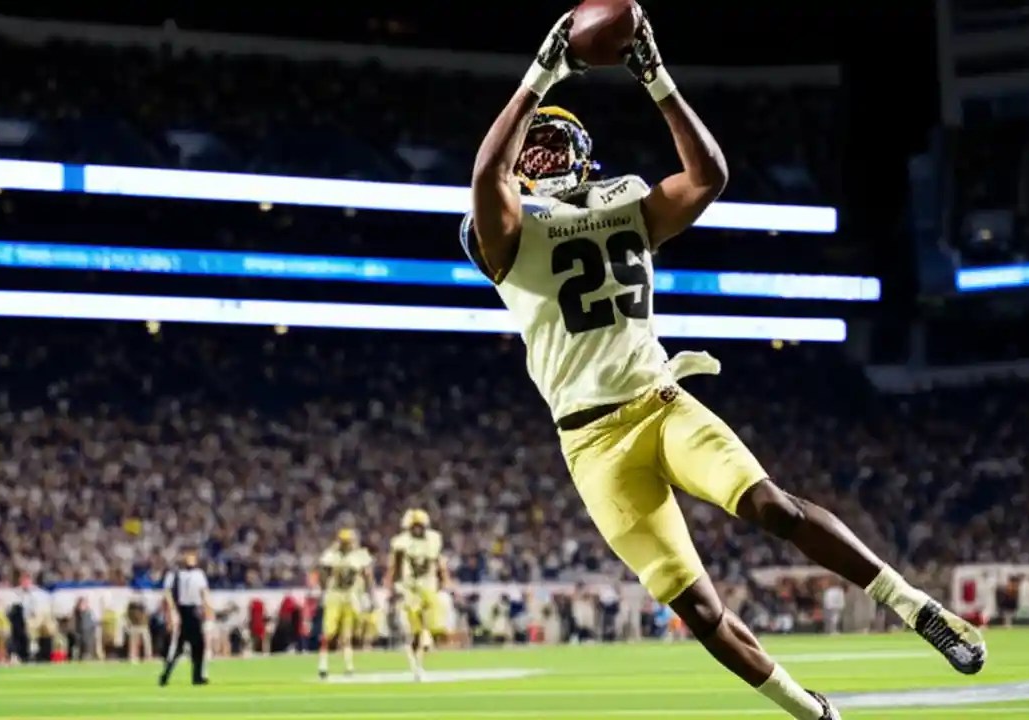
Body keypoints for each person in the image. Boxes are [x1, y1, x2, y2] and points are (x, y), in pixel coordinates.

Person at [462, 8, 986, 719]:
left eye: (559, 143)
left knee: (770, 504)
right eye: (536, 148)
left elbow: (708, 174)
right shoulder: (502, 234)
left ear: (587, 157)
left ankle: (914, 605)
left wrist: (655, 76)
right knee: (698, 607)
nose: (544, 155)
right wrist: (539, 74)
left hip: (659, 402)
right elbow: (487, 169)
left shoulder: (628, 206)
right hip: (591, 445)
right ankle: (813, 712)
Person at [385, 509, 450, 681]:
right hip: (411, 589)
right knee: (416, 631)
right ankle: (417, 665)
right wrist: (392, 587)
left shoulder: (434, 539)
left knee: (435, 627)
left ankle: (422, 654)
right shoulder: (401, 542)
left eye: (420, 525)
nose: (417, 529)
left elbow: (439, 562)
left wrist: (444, 580)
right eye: (414, 526)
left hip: (429, 587)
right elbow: (396, 566)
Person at [316, 528, 373, 679]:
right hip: (335, 594)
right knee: (329, 632)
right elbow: (322, 571)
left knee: (347, 634)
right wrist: (323, 589)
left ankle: (349, 665)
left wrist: (368, 594)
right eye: (345, 543)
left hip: (351, 595)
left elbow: (367, 575)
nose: (348, 546)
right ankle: (323, 664)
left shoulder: (360, 555)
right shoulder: (332, 555)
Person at [159, 548, 211, 687]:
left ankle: (196, 675)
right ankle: (167, 673)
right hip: (184, 610)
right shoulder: (175, 574)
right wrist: (172, 611)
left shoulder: (198, 574)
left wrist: (206, 608)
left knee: (197, 646)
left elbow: (204, 593)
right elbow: (168, 593)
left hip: (194, 610)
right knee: (179, 646)